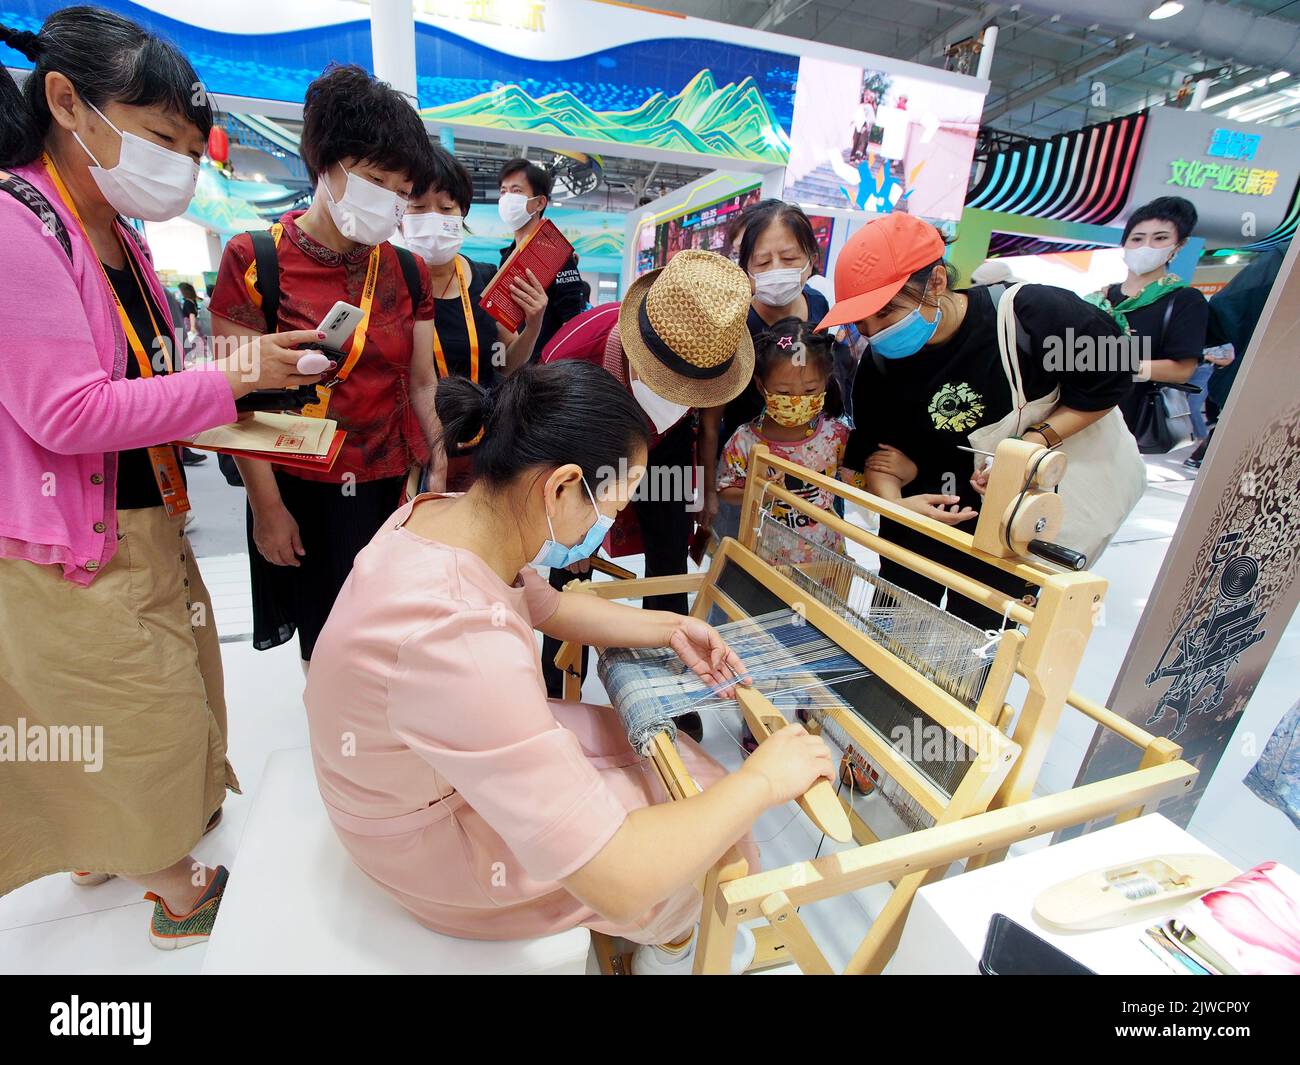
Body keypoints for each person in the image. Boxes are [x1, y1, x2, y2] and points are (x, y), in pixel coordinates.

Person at [305, 360, 835, 973]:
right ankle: (671, 947)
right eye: (611, 505)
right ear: (560, 488)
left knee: (686, 769)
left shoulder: (446, 519)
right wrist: (765, 781)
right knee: (702, 857)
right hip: (424, 838)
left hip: (415, 772)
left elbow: (548, 605)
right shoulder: (458, 642)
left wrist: (671, 627)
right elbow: (618, 878)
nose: (607, 527)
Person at [0, 8, 330, 945]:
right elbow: (66, 412)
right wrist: (232, 376)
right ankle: (176, 887)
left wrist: (247, 373)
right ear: (66, 102)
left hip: (146, 511)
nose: (179, 169)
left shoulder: (121, 236)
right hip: (68, 537)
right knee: (130, 706)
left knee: (157, 689)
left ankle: (105, 836)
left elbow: (147, 378)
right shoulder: (16, 226)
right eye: (159, 141)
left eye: (190, 149)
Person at [208, 64, 440, 670]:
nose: (387, 197)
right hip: (298, 487)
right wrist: (267, 508)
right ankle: (337, 752)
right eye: (372, 178)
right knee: (327, 645)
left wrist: (436, 470)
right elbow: (238, 401)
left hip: (387, 485)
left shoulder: (407, 270)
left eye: (399, 187)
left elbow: (421, 382)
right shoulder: (255, 259)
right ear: (325, 165)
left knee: (391, 637)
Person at [825, 214, 1131, 630]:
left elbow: (1112, 378)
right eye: (860, 322)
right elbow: (877, 455)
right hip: (918, 531)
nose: (873, 332)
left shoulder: (1031, 317)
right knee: (894, 633)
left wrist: (1034, 442)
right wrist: (898, 506)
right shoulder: (879, 367)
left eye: (886, 312)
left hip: (1007, 532)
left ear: (935, 281)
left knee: (979, 646)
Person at [538, 250, 755, 719]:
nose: (681, 397)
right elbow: (548, 455)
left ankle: (673, 695)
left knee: (669, 559)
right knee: (568, 567)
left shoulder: (713, 350)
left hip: (668, 456)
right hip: (583, 449)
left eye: (691, 391)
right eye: (666, 384)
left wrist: (705, 492)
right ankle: (552, 689)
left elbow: (708, 429)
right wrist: (574, 527)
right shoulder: (572, 354)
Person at [398, 144, 547, 490]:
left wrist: (534, 323)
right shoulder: (392, 281)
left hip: (483, 447)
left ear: (462, 212)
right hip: (415, 454)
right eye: (418, 208)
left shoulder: (484, 276)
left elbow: (507, 365)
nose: (433, 217)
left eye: (446, 207)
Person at [699, 201, 843, 539]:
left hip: (815, 471)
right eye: (763, 262)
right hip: (747, 475)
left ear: (811, 258)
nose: (777, 269)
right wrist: (707, 492)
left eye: (790, 259)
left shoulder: (820, 307)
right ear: (746, 268)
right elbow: (709, 423)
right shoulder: (731, 323)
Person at [716, 318, 853, 563]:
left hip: (825, 559)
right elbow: (726, 489)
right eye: (783, 392)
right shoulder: (745, 440)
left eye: (810, 390)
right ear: (761, 385)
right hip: (767, 559)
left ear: (825, 382)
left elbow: (858, 482)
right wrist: (761, 490)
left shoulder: (836, 436)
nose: (796, 400)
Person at [1087, 196, 1208, 442]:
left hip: (1130, 422)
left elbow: (1183, 370)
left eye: (1160, 238)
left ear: (1178, 246)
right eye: (1138, 238)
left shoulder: (1184, 300)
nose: (1146, 246)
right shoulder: (1099, 298)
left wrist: (1119, 367)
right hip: (1079, 408)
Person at [497, 157, 585, 352]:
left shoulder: (555, 255)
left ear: (539, 203)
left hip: (543, 369)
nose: (506, 198)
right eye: (503, 191)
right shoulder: (507, 255)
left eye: (516, 190)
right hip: (510, 361)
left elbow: (571, 323)